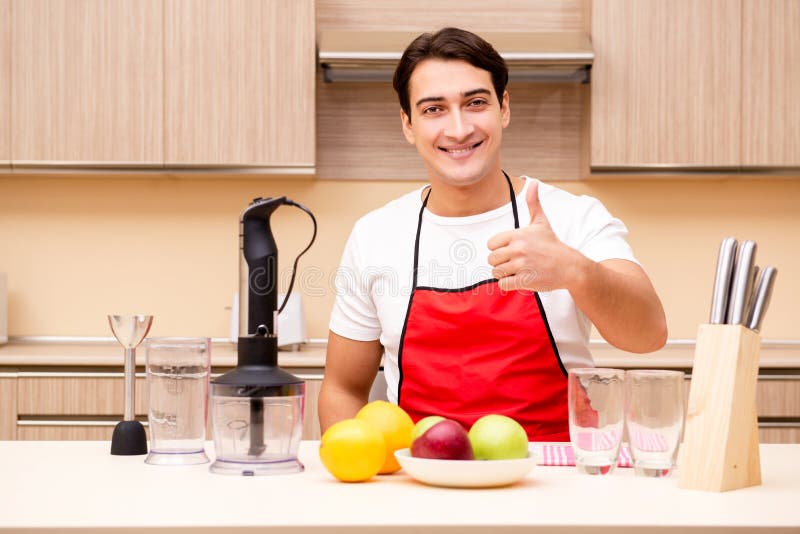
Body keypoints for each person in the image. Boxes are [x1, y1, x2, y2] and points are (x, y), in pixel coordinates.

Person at [319, 27, 666, 441]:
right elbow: (343, 388)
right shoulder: (376, 235)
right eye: (434, 109)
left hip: (558, 483)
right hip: (425, 483)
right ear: (408, 125)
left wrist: (574, 270)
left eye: (475, 102)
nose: (459, 128)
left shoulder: (573, 218)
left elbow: (648, 334)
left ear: (503, 108)